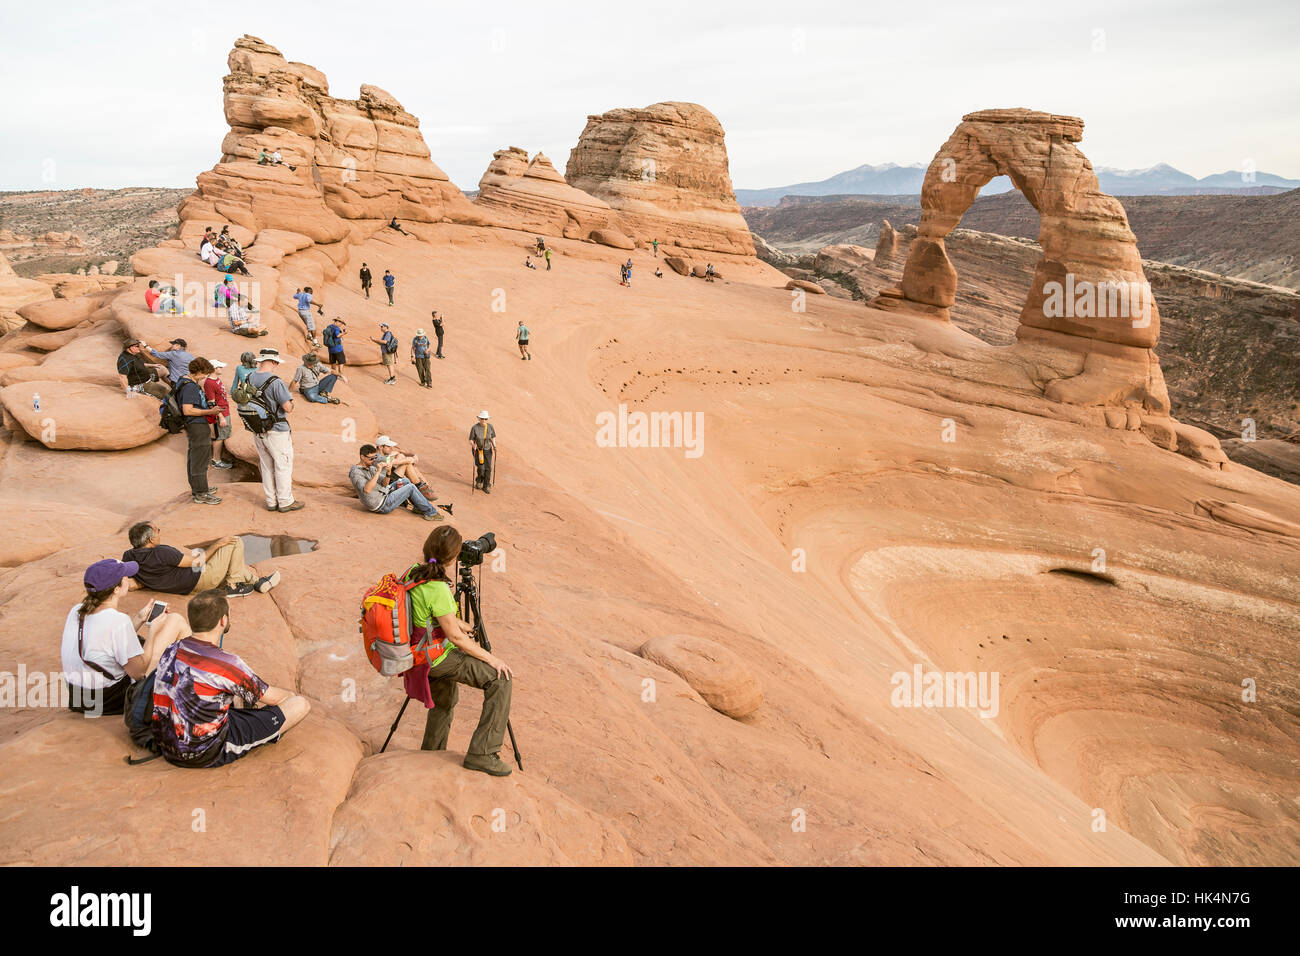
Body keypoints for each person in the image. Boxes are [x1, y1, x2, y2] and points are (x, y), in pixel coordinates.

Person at [152, 589, 310, 768]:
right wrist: (288, 696)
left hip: (166, 743)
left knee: (234, 692)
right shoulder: (227, 663)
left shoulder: (171, 650)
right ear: (223, 620)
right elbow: (273, 698)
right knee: (299, 704)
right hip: (204, 751)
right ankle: (265, 735)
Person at [410, 526, 514, 775]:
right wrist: (492, 658)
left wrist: (457, 622)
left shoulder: (416, 574)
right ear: (453, 558)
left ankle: (432, 751)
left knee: (444, 701)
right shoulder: (440, 590)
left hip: (419, 653)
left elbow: (433, 615)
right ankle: (483, 754)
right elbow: (457, 639)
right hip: (436, 658)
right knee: (500, 680)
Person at [62, 559, 190, 716]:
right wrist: (153, 631)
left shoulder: (76, 610)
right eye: (125, 577)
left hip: (78, 697)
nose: (128, 579)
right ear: (116, 589)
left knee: (164, 628)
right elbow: (139, 672)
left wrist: (139, 618)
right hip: (107, 700)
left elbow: (107, 639)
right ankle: (203, 680)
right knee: (175, 620)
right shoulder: (118, 621)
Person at [123, 521, 280, 597]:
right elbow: (197, 562)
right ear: (150, 539)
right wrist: (217, 544)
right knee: (235, 541)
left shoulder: (128, 556)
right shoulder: (161, 552)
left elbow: (132, 583)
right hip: (200, 578)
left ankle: (258, 582)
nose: (160, 533)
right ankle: (233, 586)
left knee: (232, 565)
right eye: (158, 531)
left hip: (187, 588)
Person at [240, 348, 302, 513]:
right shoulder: (275, 381)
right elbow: (287, 408)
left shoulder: (248, 377)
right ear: (274, 362)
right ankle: (285, 501)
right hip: (277, 429)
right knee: (283, 465)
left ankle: (271, 501)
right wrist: (292, 404)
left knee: (266, 466)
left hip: (257, 428)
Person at [349, 444, 443, 520]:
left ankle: (418, 506)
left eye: (375, 458)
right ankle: (431, 513)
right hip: (380, 504)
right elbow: (367, 489)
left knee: (405, 481)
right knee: (410, 487)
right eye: (371, 458)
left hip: (384, 494)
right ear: (362, 457)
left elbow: (385, 483)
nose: (374, 460)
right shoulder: (356, 472)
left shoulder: (370, 467)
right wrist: (378, 471)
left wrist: (389, 472)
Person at [175, 357, 220, 505]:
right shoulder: (190, 386)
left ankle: (198, 488)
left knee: (194, 457)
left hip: (194, 425)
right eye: (204, 374)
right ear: (198, 372)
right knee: (200, 459)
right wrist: (209, 411)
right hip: (196, 425)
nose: (204, 378)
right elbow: (187, 410)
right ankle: (201, 493)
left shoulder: (184, 381)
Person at [374, 435, 438, 502]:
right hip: (385, 483)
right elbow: (401, 461)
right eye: (388, 446)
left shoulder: (380, 454)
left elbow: (398, 453)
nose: (391, 448)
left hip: (388, 478)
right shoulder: (381, 458)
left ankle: (422, 488)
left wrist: (410, 454)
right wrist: (412, 458)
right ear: (380, 447)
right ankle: (421, 488)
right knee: (406, 464)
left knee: (402, 457)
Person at [202, 359, 233, 469]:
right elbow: (211, 402)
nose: (221, 368)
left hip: (224, 410)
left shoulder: (216, 379)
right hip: (220, 414)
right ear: (214, 369)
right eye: (219, 367)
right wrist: (221, 417)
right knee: (219, 437)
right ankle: (216, 460)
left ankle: (218, 458)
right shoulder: (209, 383)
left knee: (222, 436)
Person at [469, 410, 496, 493]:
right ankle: (479, 480)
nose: (483, 420)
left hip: (488, 450)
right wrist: (473, 445)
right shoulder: (474, 428)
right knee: (481, 468)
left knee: (488, 468)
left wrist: (494, 445)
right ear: (479, 419)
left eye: (485, 419)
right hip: (479, 451)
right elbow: (470, 439)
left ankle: (486, 485)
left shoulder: (490, 427)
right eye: (482, 419)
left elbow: (493, 437)